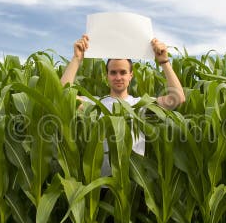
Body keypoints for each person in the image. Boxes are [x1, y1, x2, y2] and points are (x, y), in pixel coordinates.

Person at [60, 34, 186, 175]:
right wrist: (76, 59)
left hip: (133, 187)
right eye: (113, 72)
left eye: (123, 72)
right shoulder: (94, 104)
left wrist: (164, 62)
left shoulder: (141, 105)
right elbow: (63, 95)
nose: (118, 77)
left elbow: (177, 98)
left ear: (130, 75)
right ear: (106, 75)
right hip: (99, 187)